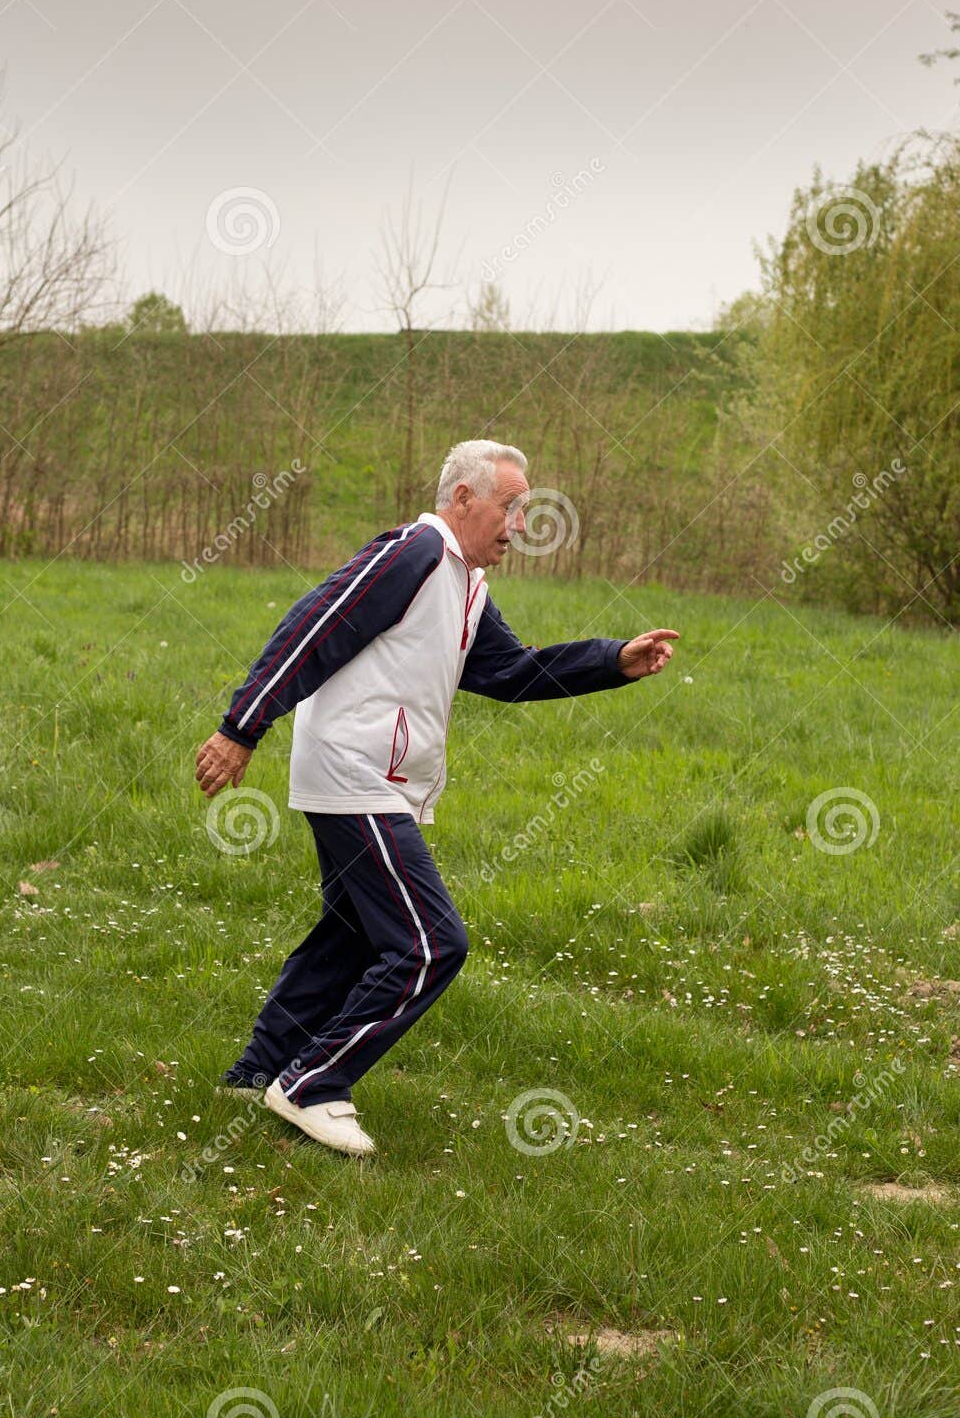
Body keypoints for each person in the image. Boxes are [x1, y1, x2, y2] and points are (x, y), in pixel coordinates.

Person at [194, 440, 678, 1157]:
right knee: (428, 944)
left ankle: (258, 1072)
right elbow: (313, 626)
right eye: (510, 506)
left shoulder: (465, 584)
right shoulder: (413, 555)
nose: (518, 524)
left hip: (378, 780)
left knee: (353, 934)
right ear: (461, 500)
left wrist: (611, 661)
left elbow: (510, 672)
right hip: (352, 771)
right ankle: (312, 1084)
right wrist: (242, 726)